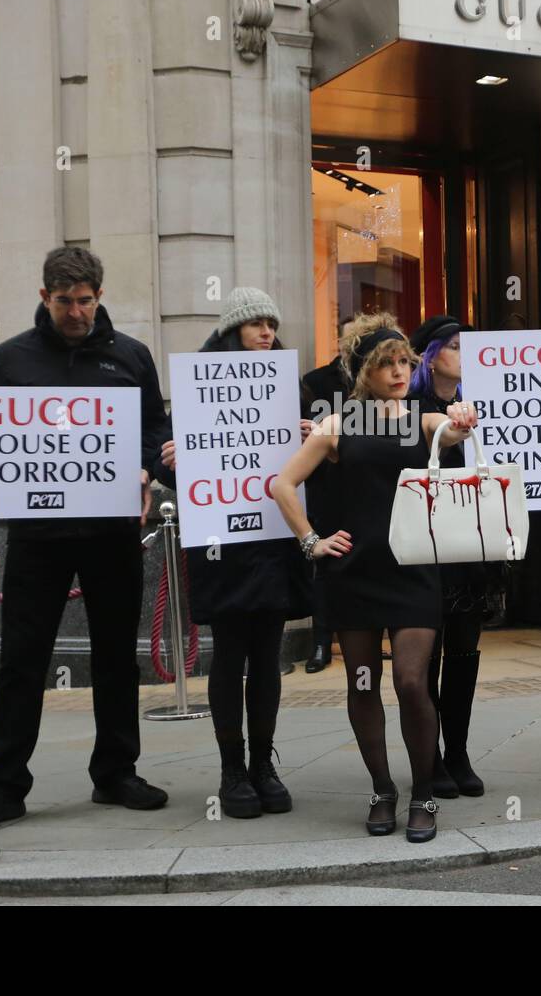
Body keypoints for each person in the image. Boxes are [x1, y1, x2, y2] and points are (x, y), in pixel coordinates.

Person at [0, 246, 169, 826]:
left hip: (112, 531)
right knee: (22, 660)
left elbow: (156, 430)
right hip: (37, 534)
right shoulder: (9, 359)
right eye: (65, 302)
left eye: (85, 301)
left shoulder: (132, 357)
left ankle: (115, 773)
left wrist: (142, 467)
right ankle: (5, 784)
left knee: (117, 656)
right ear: (44, 298)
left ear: (99, 297)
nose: (76, 312)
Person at [271, 313, 478, 843]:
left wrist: (461, 417)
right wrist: (312, 541)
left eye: (405, 362)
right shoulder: (337, 424)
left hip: (412, 570)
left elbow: (451, 432)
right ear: (364, 371)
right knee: (362, 682)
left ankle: (424, 793)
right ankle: (382, 789)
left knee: (411, 681)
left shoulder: (423, 418)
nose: (398, 371)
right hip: (352, 571)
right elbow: (283, 485)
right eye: (386, 363)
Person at [152, 288, 312, 818]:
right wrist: (172, 459)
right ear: (232, 330)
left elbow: (308, 462)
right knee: (230, 652)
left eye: (271, 322)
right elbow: (178, 462)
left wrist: (311, 439)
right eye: (255, 323)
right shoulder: (200, 384)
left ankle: (264, 763)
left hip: (270, 534)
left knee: (268, 653)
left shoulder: (288, 386)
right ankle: (232, 768)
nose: (266, 331)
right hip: (221, 541)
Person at [408, 315, 503, 798]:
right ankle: (429, 756)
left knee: (464, 650)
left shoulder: (486, 401)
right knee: (425, 656)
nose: (464, 352)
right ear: (430, 355)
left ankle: (458, 751)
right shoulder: (409, 407)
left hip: (470, 546)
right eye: (454, 345)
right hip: (425, 546)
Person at [300, 319, 354, 674]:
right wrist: (308, 430)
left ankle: (360, 637)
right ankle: (321, 641)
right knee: (325, 566)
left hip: (364, 486)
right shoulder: (316, 381)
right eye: (349, 337)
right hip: (325, 486)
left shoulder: (380, 382)